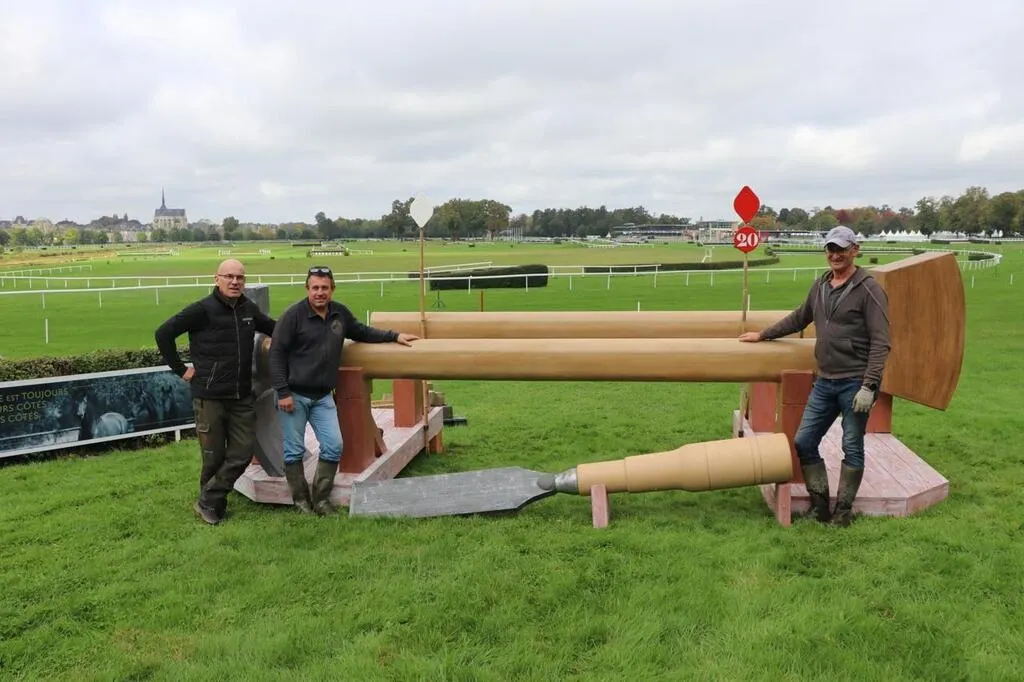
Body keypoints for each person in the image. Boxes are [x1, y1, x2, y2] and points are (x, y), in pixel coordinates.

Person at [739, 225, 890, 526]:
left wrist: (870, 385)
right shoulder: (821, 285)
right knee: (804, 440)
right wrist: (764, 335)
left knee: (852, 445)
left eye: (841, 249)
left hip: (854, 383)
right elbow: (800, 317)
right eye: (831, 249)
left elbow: (881, 341)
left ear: (854, 250)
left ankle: (843, 512)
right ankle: (819, 505)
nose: (835, 255)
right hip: (825, 380)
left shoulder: (869, 289)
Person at [268, 265, 419, 515]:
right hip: (293, 395)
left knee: (334, 445)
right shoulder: (292, 316)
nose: (319, 293)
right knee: (293, 450)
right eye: (315, 288)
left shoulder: (339, 314)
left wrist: (394, 336)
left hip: (324, 396)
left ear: (332, 289)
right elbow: (276, 354)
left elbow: (362, 331)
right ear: (307, 289)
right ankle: (301, 501)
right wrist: (282, 392)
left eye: (324, 288)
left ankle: (321, 499)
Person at [155, 259, 276, 525]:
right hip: (209, 396)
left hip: (241, 396)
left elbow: (273, 328)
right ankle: (212, 504)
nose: (235, 282)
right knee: (213, 456)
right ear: (216, 279)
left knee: (242, 453)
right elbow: (163, 333)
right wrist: (180, 369)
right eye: (229, 276)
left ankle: (207, 499)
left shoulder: (247, 308)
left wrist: (305, 334)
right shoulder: (202, 309)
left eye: (240, 278)